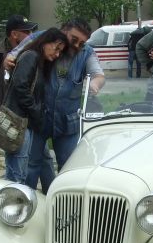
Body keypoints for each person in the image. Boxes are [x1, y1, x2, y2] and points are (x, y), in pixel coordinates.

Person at [27, 18, 106, 190]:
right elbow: (18, 52)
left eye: (82, 42)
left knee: (69, 169)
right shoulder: (42, 38)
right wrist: (9, 58)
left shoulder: (87, 52)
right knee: (31, 165)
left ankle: (66, 208)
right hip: (39, 117)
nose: (77, 45)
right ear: (62, 31)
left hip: (68, 122)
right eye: (74, 39)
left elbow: (98, 75)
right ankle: (26, 203)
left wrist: (95, 84)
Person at [1, 28, 67, 185]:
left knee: (28, 165)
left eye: (60, 51)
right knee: (17, 172)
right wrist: (36, 110)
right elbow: (20, 87)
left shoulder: (39, 60)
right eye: (56, 48)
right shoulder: (31, 56)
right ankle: (11, 203)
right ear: (46, 41)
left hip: (27, 122)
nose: (57, 54)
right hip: (19, 121)